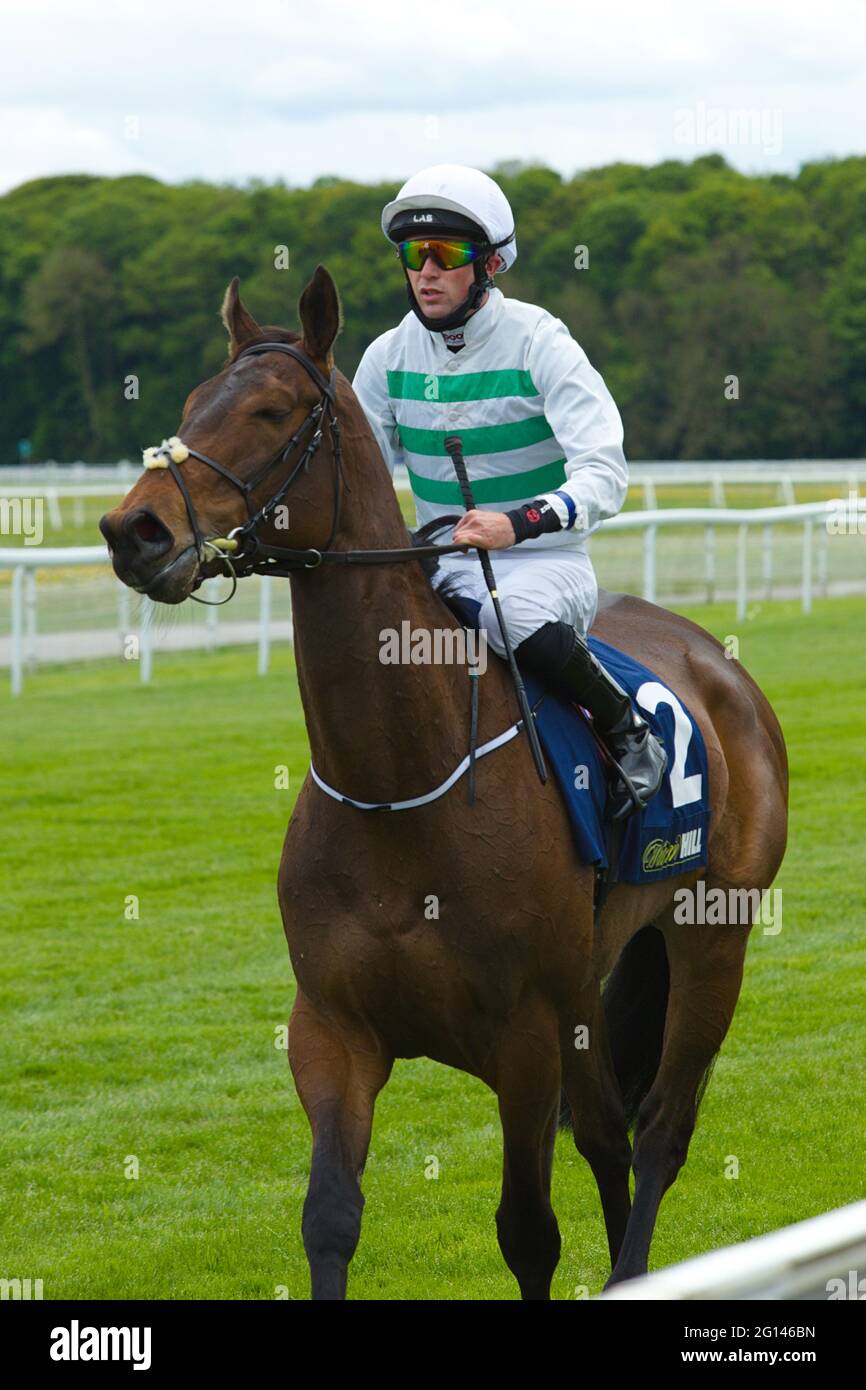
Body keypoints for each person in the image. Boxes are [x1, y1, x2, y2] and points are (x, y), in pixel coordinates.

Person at [352, 163, 666, 818]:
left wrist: (517, 524)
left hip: (544, 565)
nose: (426, 272)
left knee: (504, 613)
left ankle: (628, 734)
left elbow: (605, 474)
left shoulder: (540, 341)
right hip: (439, 566)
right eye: (414, 255)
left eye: (445, 255)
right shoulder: (386, 358)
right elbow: (359, 479)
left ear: (490, 265)